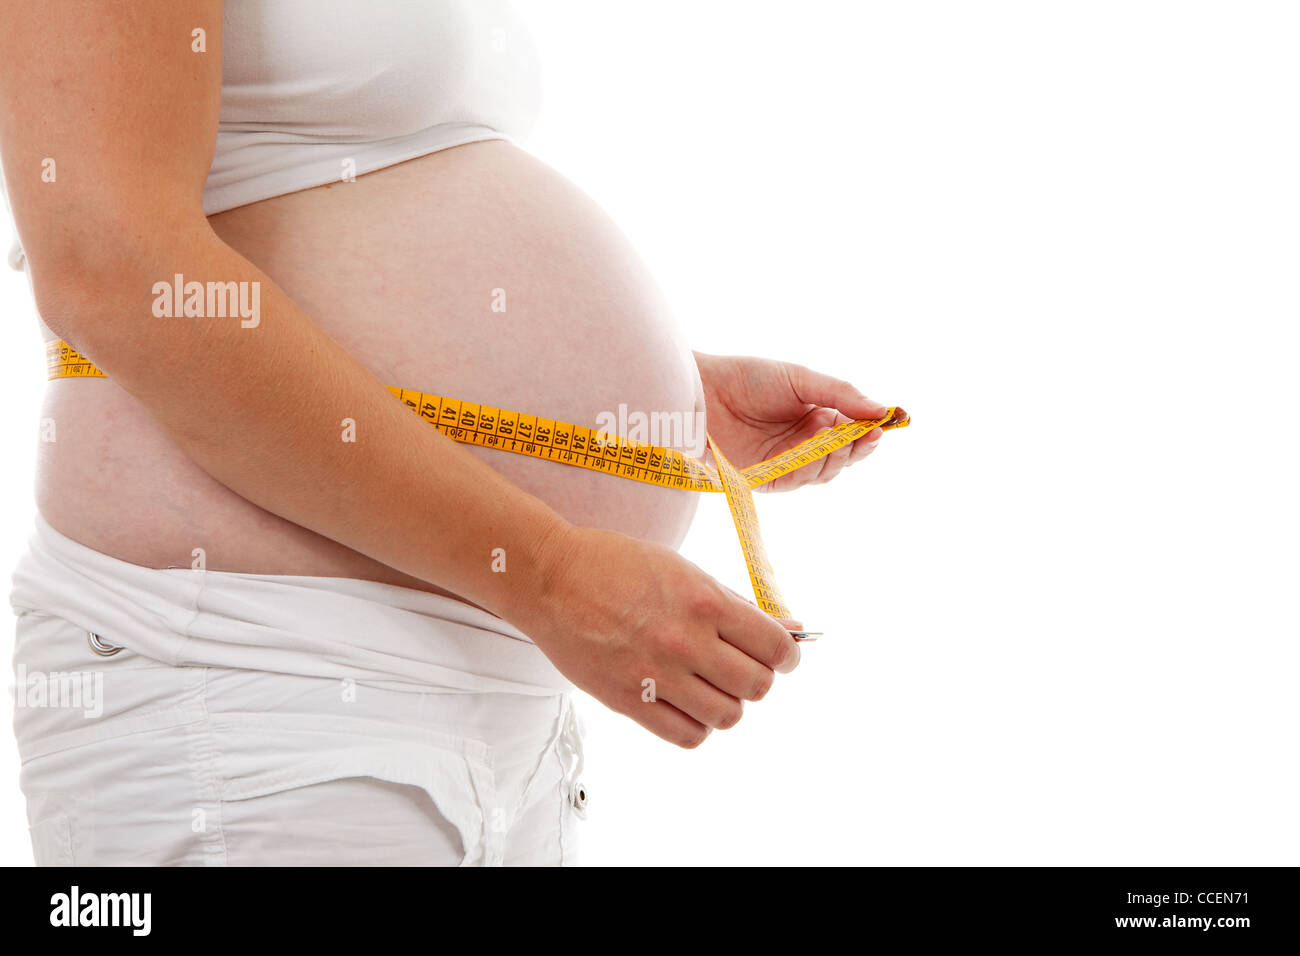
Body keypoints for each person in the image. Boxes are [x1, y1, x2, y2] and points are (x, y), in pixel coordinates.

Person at [0, 0, 888, 865]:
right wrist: (547, 570)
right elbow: (113, 268)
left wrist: (654, 411)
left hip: (489, 701)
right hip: (256, 674)